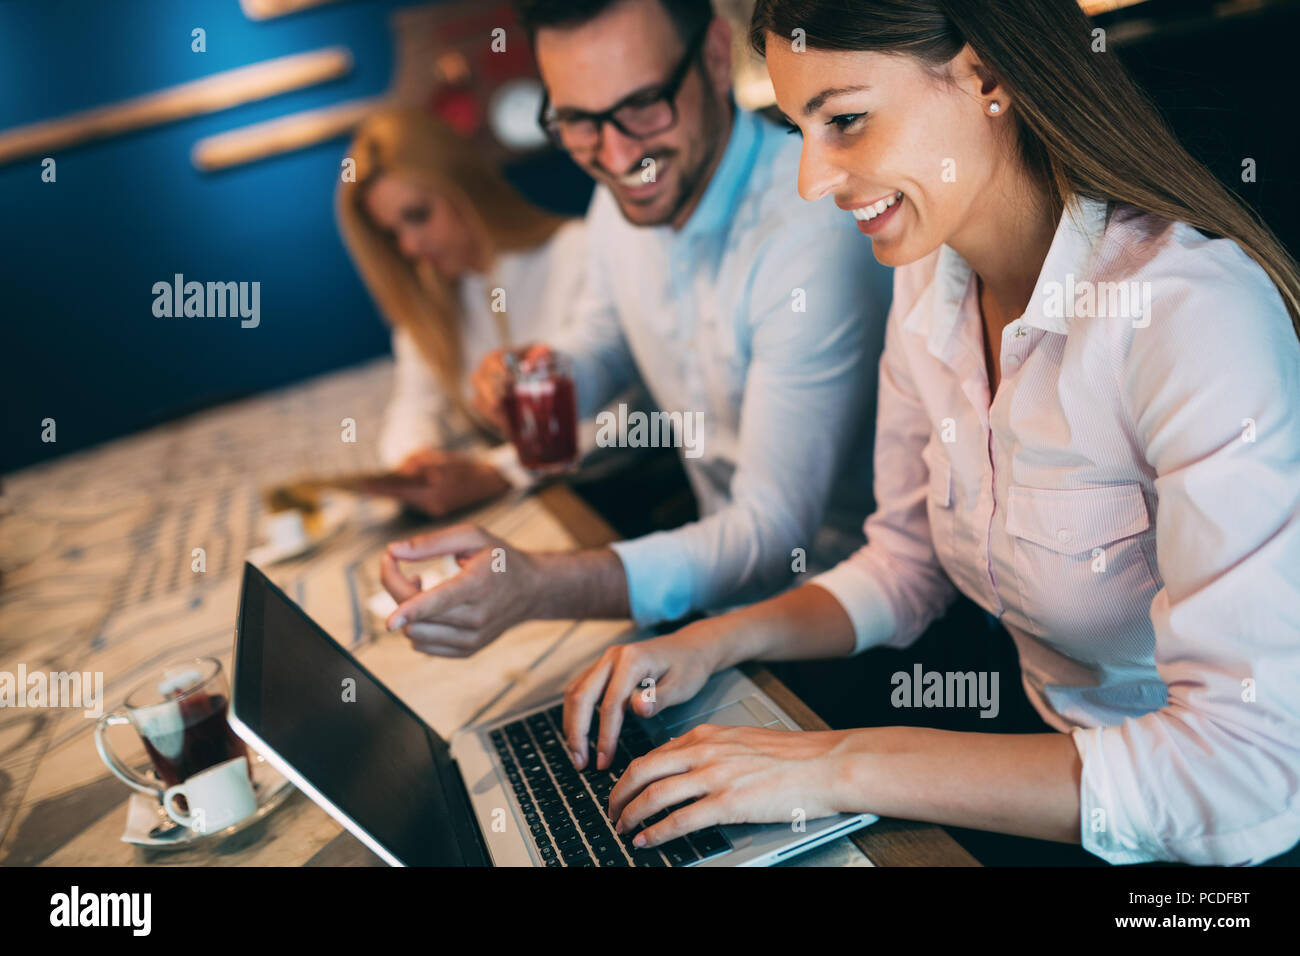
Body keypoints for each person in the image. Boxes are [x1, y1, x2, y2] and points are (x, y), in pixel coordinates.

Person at [559, 0, 1300, 867]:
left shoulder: (1188, 318)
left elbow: (1250, 771)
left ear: (989, 77)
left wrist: (836, 766)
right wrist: (713, 638)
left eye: (845, 120)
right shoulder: (928, 280)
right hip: (1038, 771)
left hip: (1198, 845)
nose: (811, 179)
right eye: (799, 127)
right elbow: (906, 564)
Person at [379, 0, 893, 655]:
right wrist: (544, 374)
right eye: (577, 121)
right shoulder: (618, 202)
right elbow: (605, 342)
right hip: (718, 606)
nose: (618, 156)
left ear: (713, 56)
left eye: (644, 103)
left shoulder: (808, 233)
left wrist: (538, 586)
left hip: (850, 629)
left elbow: (771, 536)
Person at [337, 107, 587, 515]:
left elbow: (623, 413)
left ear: (465, 186)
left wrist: (498, 472)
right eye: (393, 232)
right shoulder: (435, 297)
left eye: (418, 216)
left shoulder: (576, 252)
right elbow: (414, 405)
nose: (410, 248)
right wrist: (416, 464)